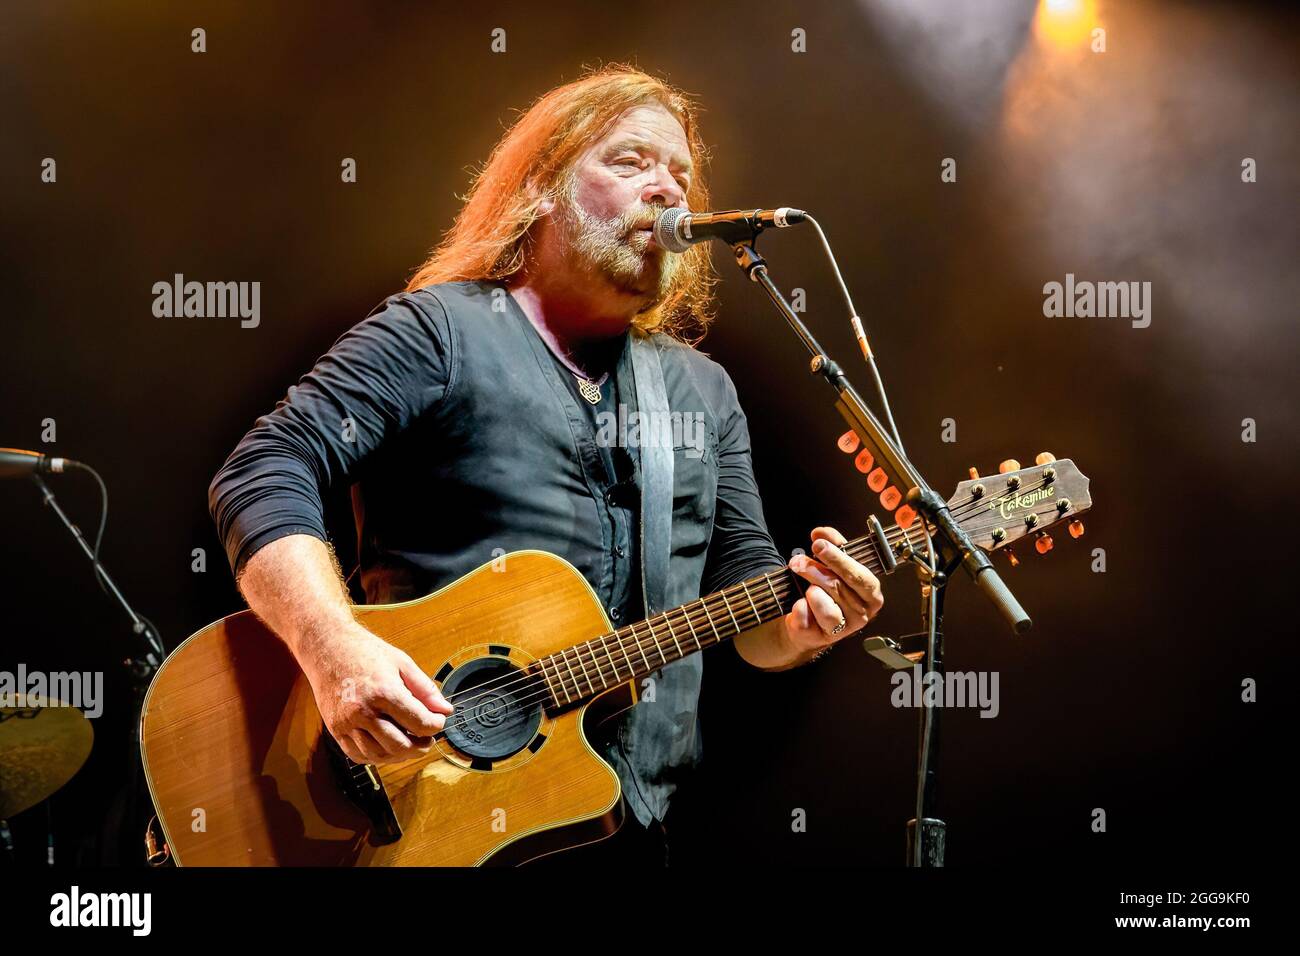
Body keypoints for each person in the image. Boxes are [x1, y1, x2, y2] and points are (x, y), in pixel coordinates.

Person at [208, 64, 884, 867]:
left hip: (622, 826)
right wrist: (332, 648)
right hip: (415, 809)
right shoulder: (441, 332)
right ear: (540, 188)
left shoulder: (702, 391)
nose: (669, 190)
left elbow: (757, 617)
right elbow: (263, 468)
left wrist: (811, 626)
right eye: (631, 162)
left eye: (681, 174)